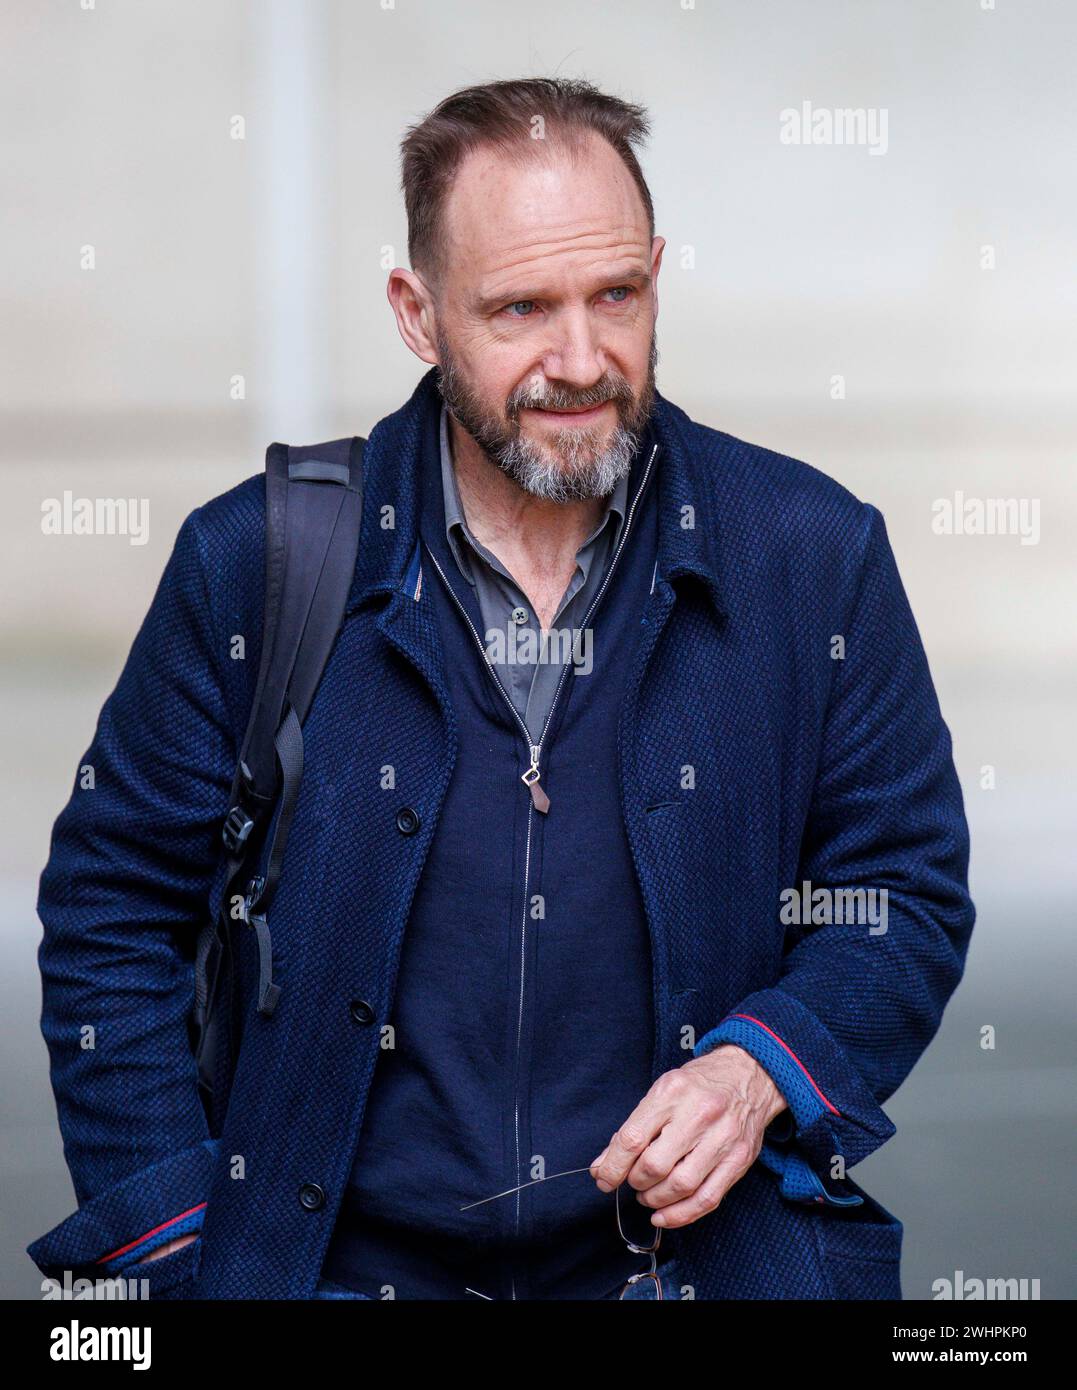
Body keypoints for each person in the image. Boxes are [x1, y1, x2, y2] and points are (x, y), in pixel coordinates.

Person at [28, 77, 974, 1301]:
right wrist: (181, 1252)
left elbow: (901, 888)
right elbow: (111, 913)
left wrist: (762, 1069)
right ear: (417, 314)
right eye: (522, 307)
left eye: (616, 295)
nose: (580, 360)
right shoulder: (252, 566)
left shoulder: (814, 554)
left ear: (657, 272)